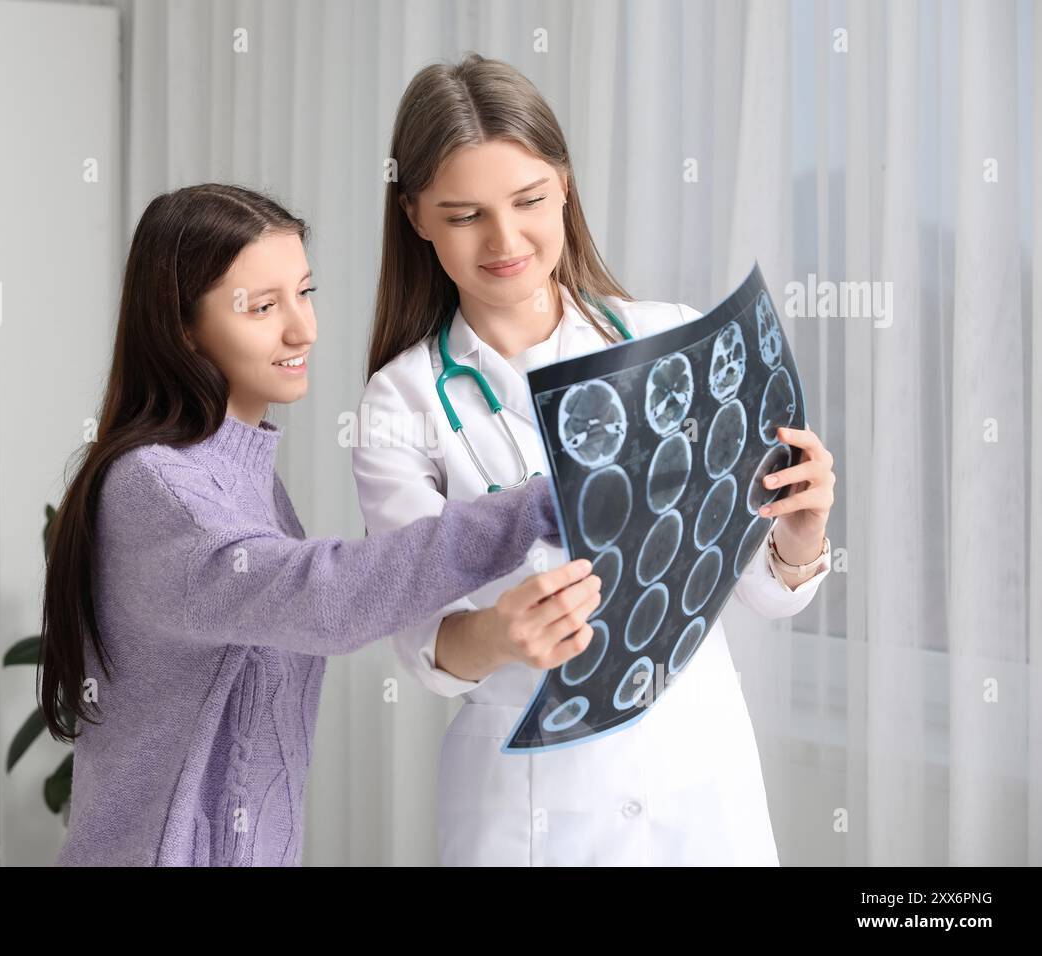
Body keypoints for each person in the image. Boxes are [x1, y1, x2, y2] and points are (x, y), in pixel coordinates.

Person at [354, 53, 836, 866]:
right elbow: (424, 644)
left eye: (530, 200)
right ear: (417, 218)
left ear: (565, 186)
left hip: (701, 782)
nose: (505, 240)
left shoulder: (665, 338)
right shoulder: (400, 403)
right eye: (465, 213)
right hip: (532, 802)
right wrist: (505, 636)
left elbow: (761, 588)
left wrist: (800, 530)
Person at [43, 183, 592, 866]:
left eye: (304, 293)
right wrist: (548, 501)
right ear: (182, 326)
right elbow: (328, 597)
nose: (303, 330)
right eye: (264, 307)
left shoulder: (250, 484)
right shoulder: (157, 488)